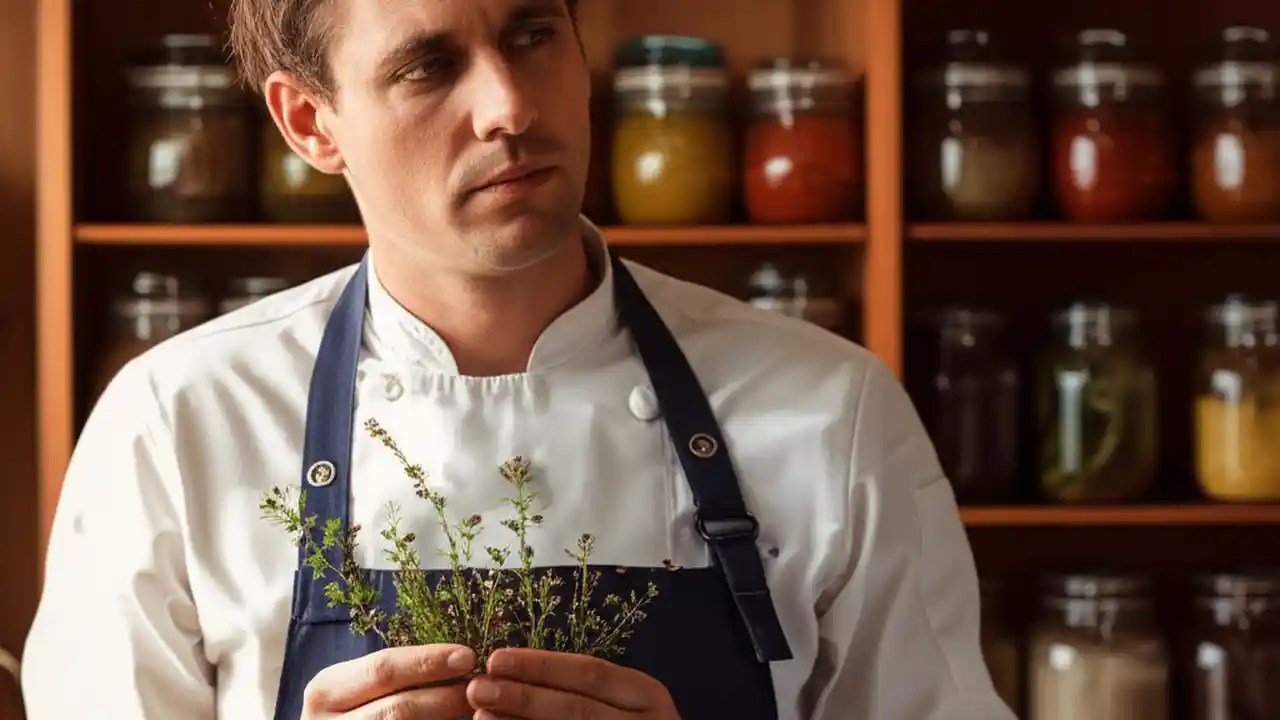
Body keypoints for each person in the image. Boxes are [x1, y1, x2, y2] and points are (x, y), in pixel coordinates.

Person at [21, 0, 1015, 718]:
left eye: (532, 35)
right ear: (310, 124)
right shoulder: (179, 415)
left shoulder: (826, 408)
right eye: (427, 65)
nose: (507, 105)